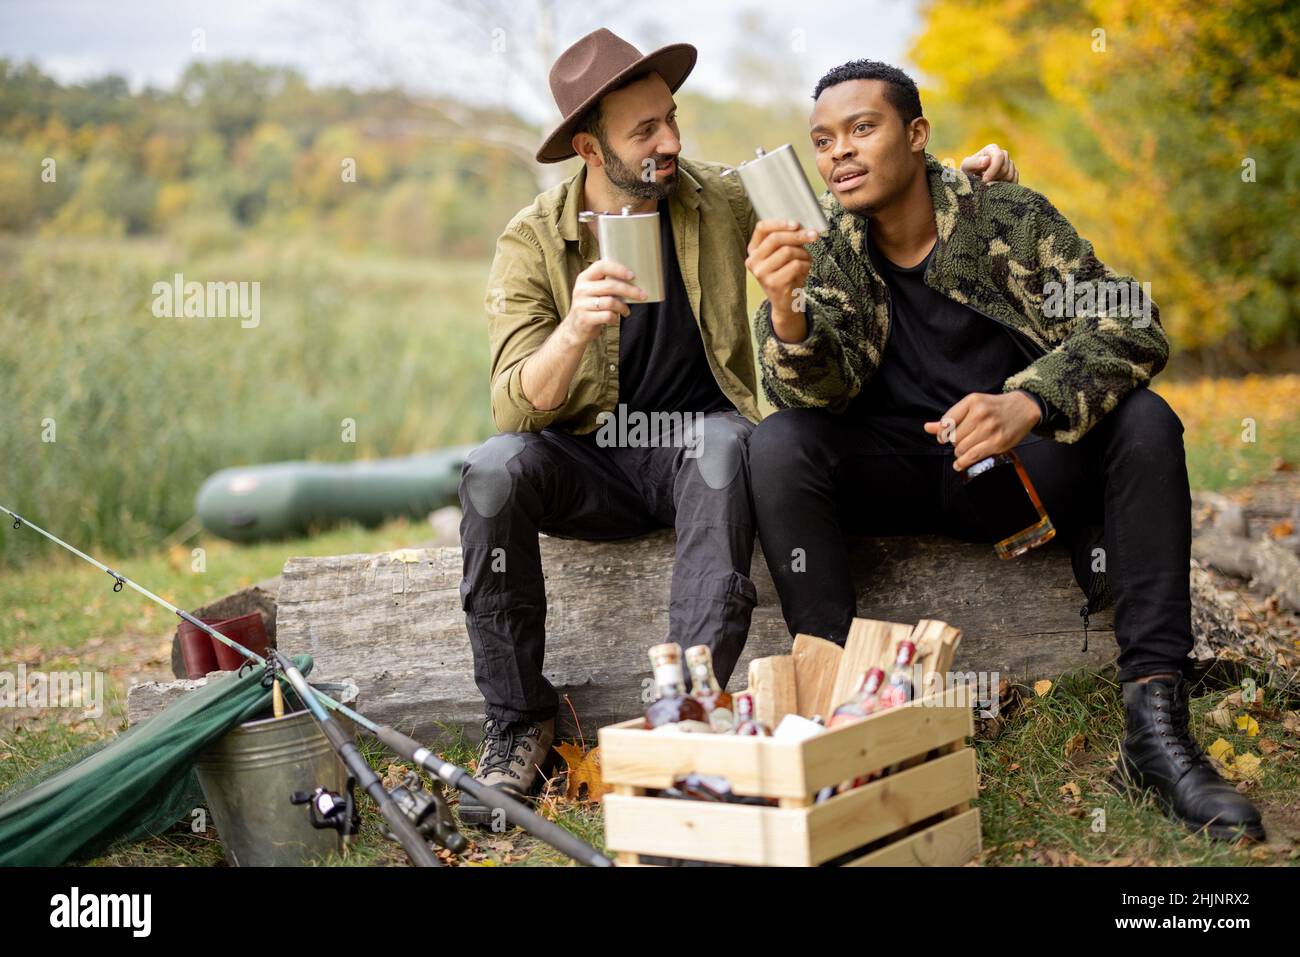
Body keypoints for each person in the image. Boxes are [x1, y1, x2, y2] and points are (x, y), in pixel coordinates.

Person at [459, 31, 1018, 826]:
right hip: (588, 462)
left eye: (671, 119)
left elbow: (858, 200)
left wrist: (961, 177)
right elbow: (515, 404)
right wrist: (577, 327)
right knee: (490, 468)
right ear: (588, 146)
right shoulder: (534, 241)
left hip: (699, 449)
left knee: (723, 440)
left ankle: (688, 713)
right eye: (644, 131)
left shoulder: (720, 196)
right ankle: (518, 721)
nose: (671, 142)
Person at [744, 59, 1263, 843]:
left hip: (1025, 472)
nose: (839, 153)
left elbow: (1134, 323)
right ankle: (841, 721)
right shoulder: (828, 245)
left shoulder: (1009, 216)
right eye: (823, 140)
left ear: (917, 136)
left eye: (862, 129)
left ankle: (1156, 729)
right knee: (777, 442)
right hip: (904, 474)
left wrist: (1029, 400)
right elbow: (811, 396)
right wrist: (785, 313)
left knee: (1148, 419)